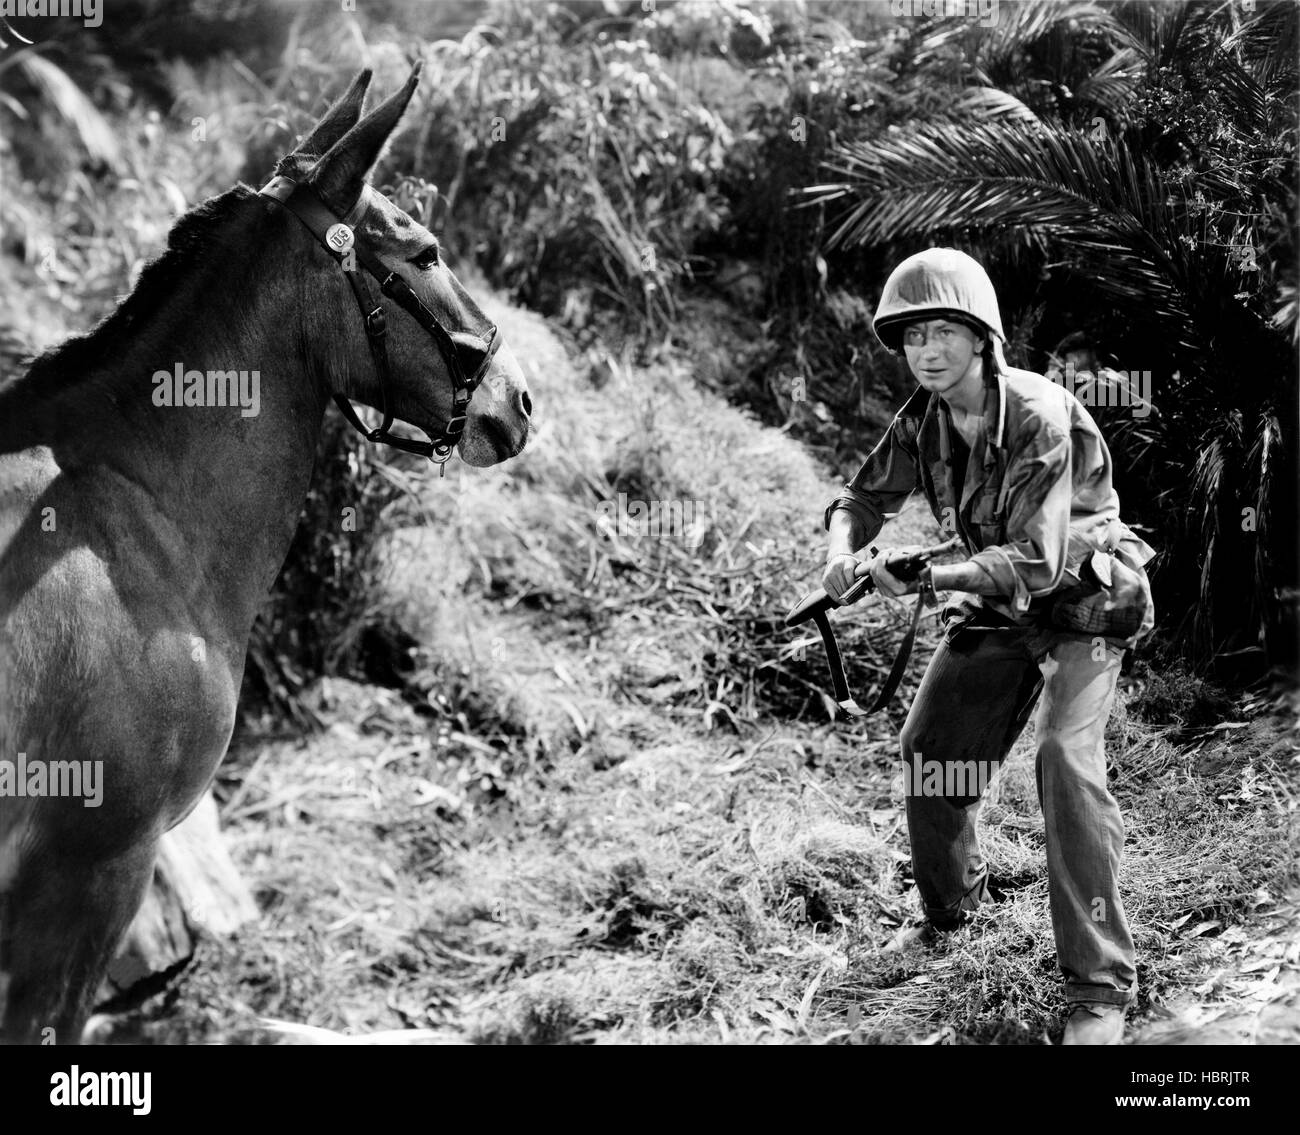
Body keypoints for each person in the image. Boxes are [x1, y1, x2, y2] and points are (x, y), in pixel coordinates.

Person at [821, 247, 1156, 1045]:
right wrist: (843, 552)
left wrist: (929, 577)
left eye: (942, 332)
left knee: (1065, 766)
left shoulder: (1037, 412)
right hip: (999, 605)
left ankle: (1101, 987)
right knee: (932, 744)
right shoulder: (927, 417)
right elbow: (863, 498)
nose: (927, 352)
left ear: (981, 337)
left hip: (1084, 603)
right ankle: (950, 912)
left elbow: (1039, 562)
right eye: (911, 338)